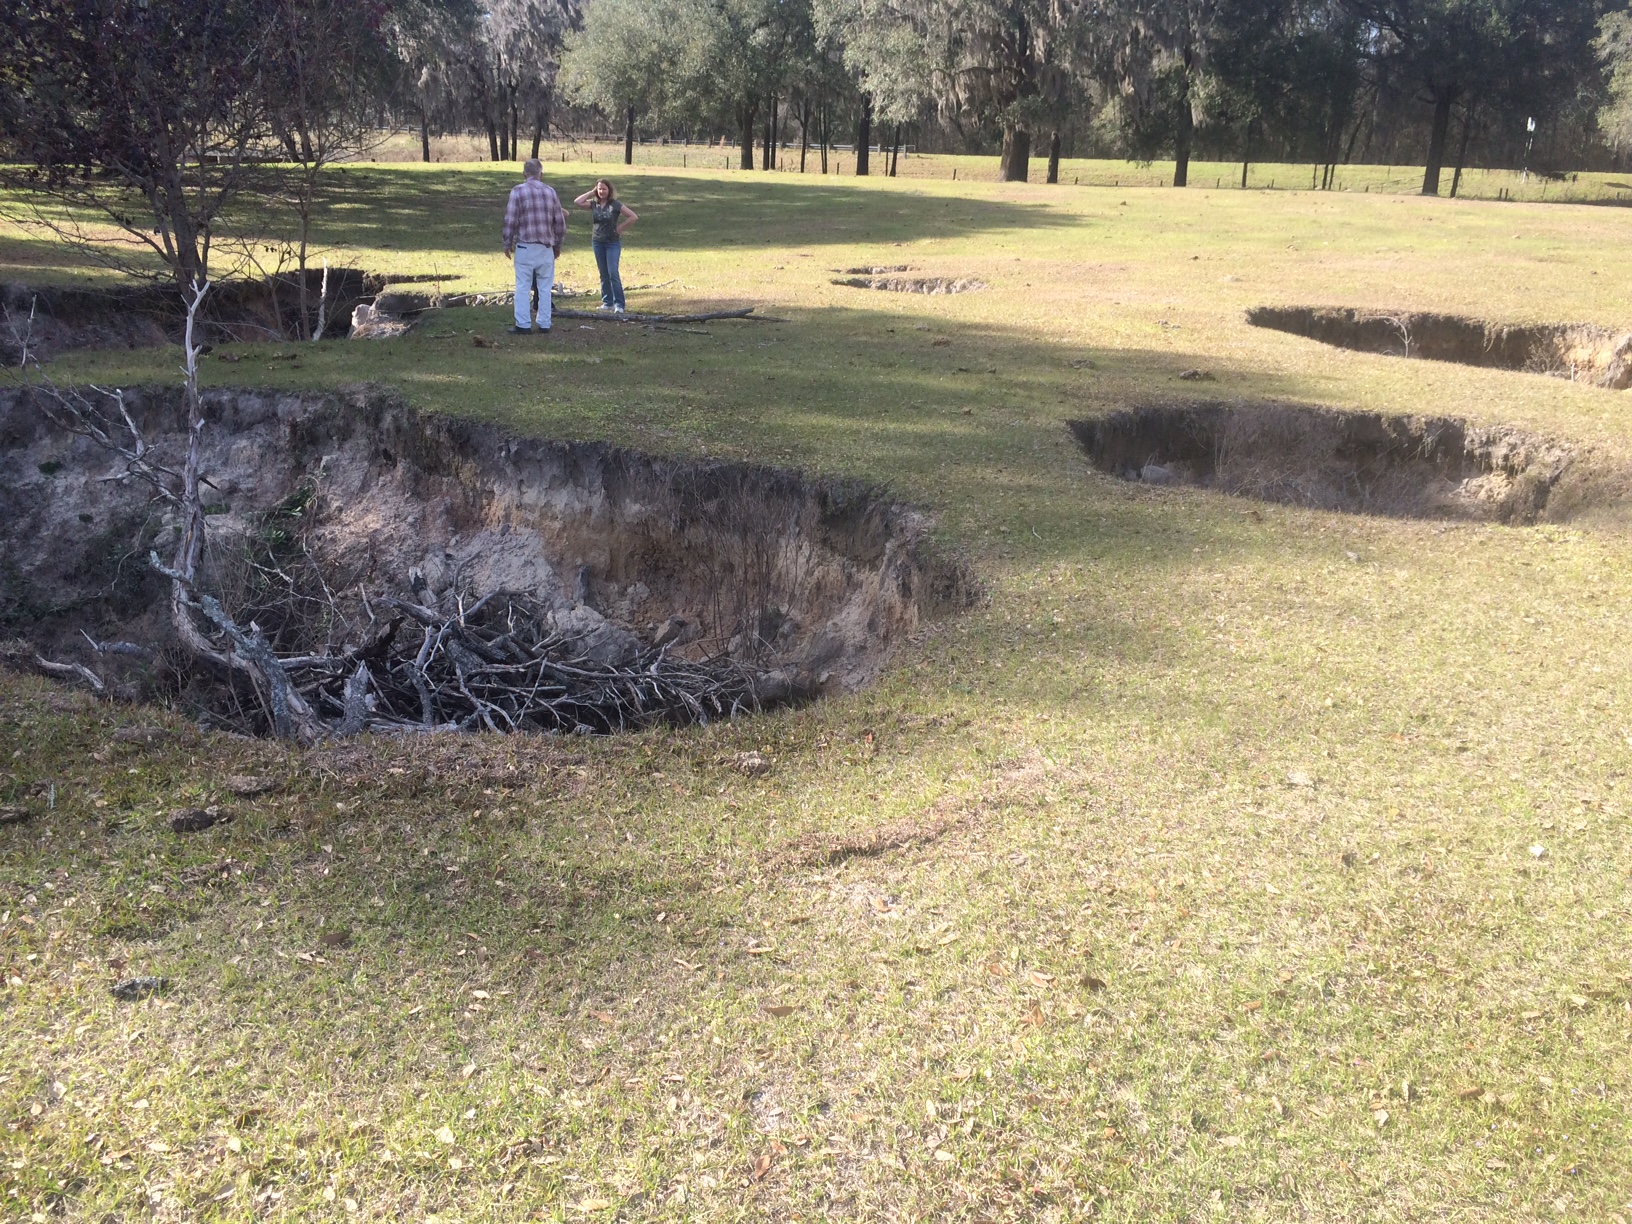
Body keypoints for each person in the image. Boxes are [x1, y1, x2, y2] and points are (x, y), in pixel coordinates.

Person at [502, 159, 566, 334]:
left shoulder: (517, 191)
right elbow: (559, 222)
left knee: (523, 286)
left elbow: (510, 219)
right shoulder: (550, 192)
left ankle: (523, 324)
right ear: (541, 174)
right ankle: (544, 323)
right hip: (545, 247)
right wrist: (557, 245)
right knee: (545, 287)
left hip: (525, 246)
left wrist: (507, 242)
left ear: (524, 174)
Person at [572, 179, 637, 313]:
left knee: (613, 272)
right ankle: (607, 302)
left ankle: (619, 304)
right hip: (598, 242)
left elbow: (633, 216)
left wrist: (620, 228)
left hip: (612, 242)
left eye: (604, 189)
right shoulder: (594, 204)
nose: (602, 191)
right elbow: (577, 202)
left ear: (609, 190)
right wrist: (591, 193)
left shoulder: (615, 204)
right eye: (599, 189)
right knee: (603, 273)